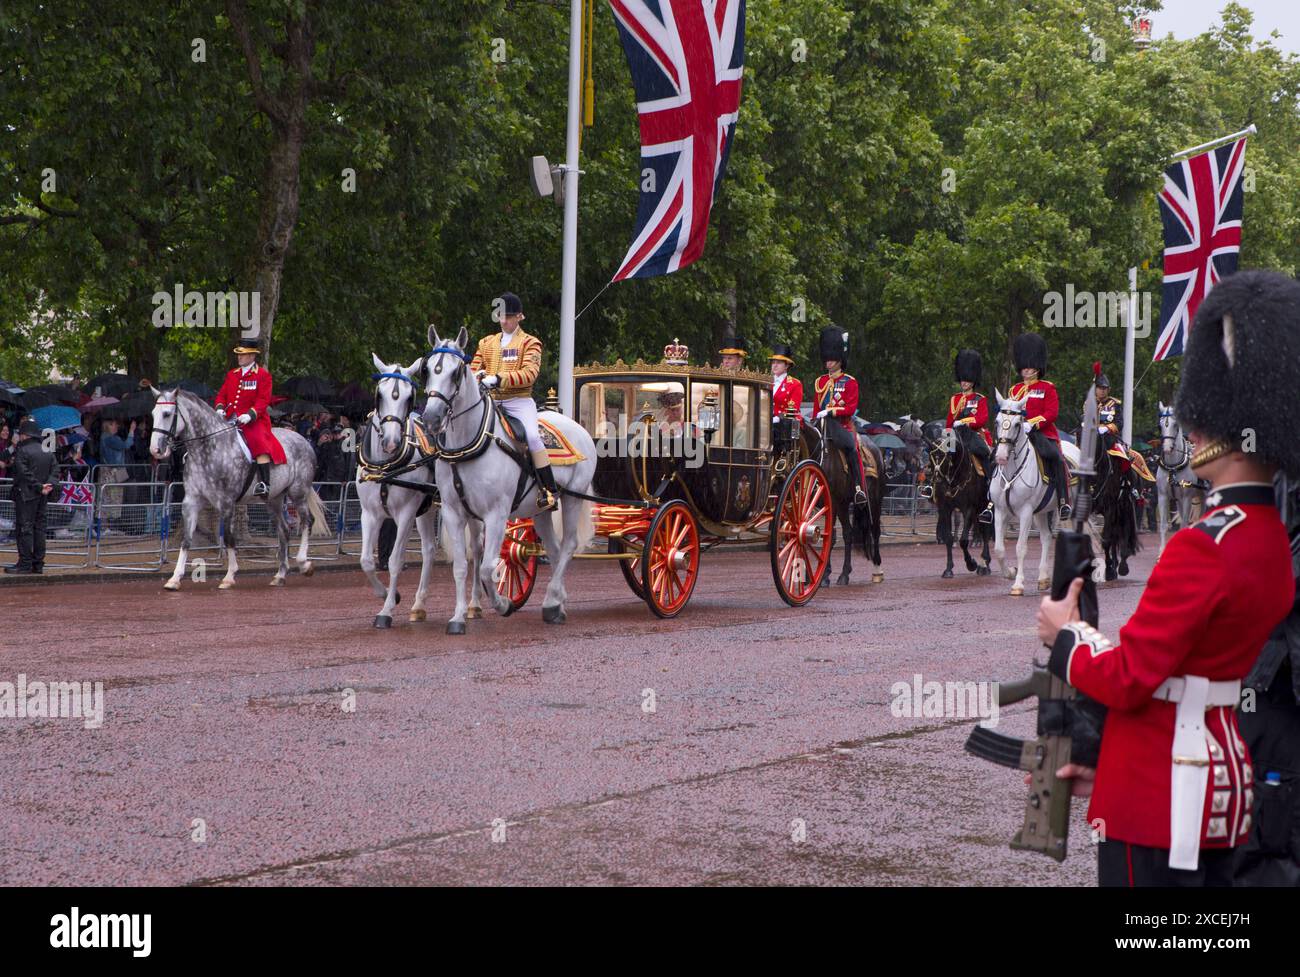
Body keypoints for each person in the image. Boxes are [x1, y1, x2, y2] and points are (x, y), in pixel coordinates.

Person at [1035, 269, 1299, 887]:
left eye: (1202, 422)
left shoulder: (1204, 546)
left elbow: (1131, 676)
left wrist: (1068, 633)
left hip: (1160, 797)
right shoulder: (1266, 541)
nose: (1192, 431)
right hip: (1216, 783)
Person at [469, 291, 557, 511]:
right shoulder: (486, 342)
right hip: (490, 401)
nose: (503, 320)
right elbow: (474, 368)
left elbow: (530, 373)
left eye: (508, 316)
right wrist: (476, 376)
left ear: (519, 317)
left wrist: (499, 378)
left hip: (518, 401)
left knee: (534, 438)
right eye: (500, 316)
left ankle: (548, 489)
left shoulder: (530, 343)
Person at [1009, 332, 1071, 521]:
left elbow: (1052, 413)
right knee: (998, 456)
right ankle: (991, 501)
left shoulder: (1047, 387)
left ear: (1037, 367)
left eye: (1030, 366)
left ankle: (1063, 502)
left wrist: (1033, 424)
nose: (1026, 370)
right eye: (1024, 367)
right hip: (1018, 434)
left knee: (1057, 460)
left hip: (1042, 434)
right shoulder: (1015, 390)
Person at [214, 339, 287, 497]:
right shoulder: (231, 375)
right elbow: (222, 395)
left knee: (259, 442)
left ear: (252, 356)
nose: (239, 357)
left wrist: (250, 414)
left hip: (254, 420)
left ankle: (264, 484)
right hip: (230, 418)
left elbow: (263, 400)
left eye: (243, 354)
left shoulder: (262, 375)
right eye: (238, 354)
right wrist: (220, 408)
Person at [813, 326, 867, 504]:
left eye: (832, 358)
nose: (828, 361)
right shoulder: (820, 381)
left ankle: (859, 488)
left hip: (842, 425)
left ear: (839, 359)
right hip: (822, 424)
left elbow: (850, 408)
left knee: (851, 448)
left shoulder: (849, 382)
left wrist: (831, 411)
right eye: (826, 357)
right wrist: (816, 418)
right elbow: (816, 408)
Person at [944, 348, 994, 524]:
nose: (964, 383)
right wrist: (950, 429)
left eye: (968, 380)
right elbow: (949, 421)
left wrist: (965, 422)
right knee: (940, 455)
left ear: (973, 381)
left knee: (985, 454)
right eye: (963, 379)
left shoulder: (980, 399)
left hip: (972, 434)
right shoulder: (954, 399)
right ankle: (933, 485)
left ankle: (990, 484)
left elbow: (982, 419)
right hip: (955, 434)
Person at [5, 420, 59, 574]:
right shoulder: (47, 450)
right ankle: (38, 564)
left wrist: (38, 486)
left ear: (24, 435)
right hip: (43, 496)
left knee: (24, 529)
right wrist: (47, 485)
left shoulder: (23, 450)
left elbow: (23, 472)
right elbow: (55, 470)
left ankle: (25, 563)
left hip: (26, 495)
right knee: (40, 529)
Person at [1090, 369, 1155, 484]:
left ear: (1109, 390)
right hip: (1091, 439)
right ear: (1095, 389)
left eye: (1105, 388)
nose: (1102, 391)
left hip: (1110, 440)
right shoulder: (1089, 404)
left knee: (1124, 458)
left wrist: (1106, 428)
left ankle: (1131, 486)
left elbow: (1120, 423)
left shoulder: (1115, 404)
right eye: (1100, 388)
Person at [770, 343, 802, 426]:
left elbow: (793, 410)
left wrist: (779, 417)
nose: (775, 365)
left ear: (786, 365)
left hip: (784, 424)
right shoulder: (766, 381)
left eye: (779, 363)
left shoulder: (795, 384)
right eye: (773, 362)